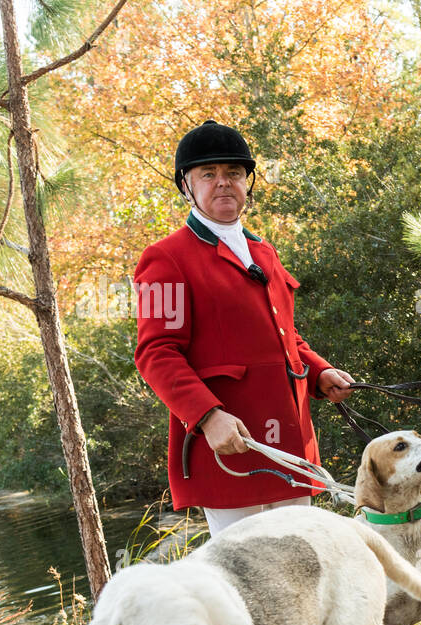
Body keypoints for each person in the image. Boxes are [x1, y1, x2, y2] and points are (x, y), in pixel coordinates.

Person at [134, 120, 356, 535]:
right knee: (250, 578)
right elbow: (156, 353)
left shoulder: (263, 251)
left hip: (291, 442)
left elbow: (284, 336)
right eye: (208, 174)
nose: (223, 183)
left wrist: (320, 371)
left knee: (303, 562)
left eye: (233, 173)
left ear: (247, 183)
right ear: (187, 186)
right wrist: (206, 416)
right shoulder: (164, 258)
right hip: (231, 448)